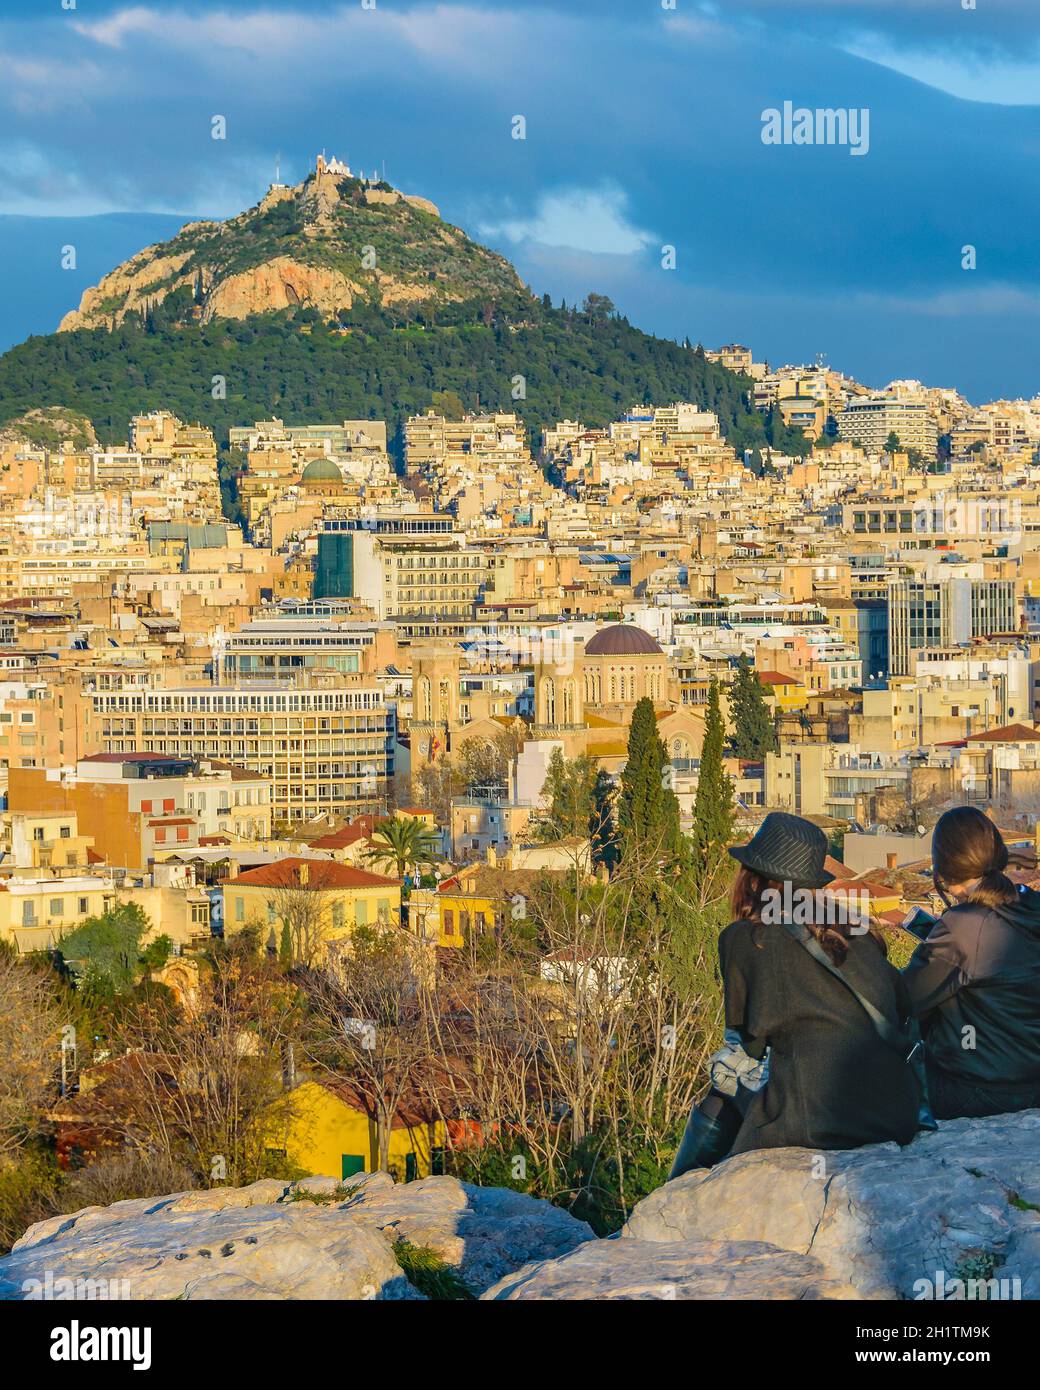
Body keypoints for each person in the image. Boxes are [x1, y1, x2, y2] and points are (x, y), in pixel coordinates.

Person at [717, 812, 920, 1155]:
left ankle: (680, 1195)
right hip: (896, 1112)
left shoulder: (747, 939)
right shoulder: (856, 929)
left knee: (719, 1094)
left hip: (818, 1119)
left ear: (753, 881)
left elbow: (750, 1044)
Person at [904, 806, 1040, 1120]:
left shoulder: (963, 927)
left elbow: (906, 997)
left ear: (944, 870)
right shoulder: (1030, 905)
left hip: (981, 1091)